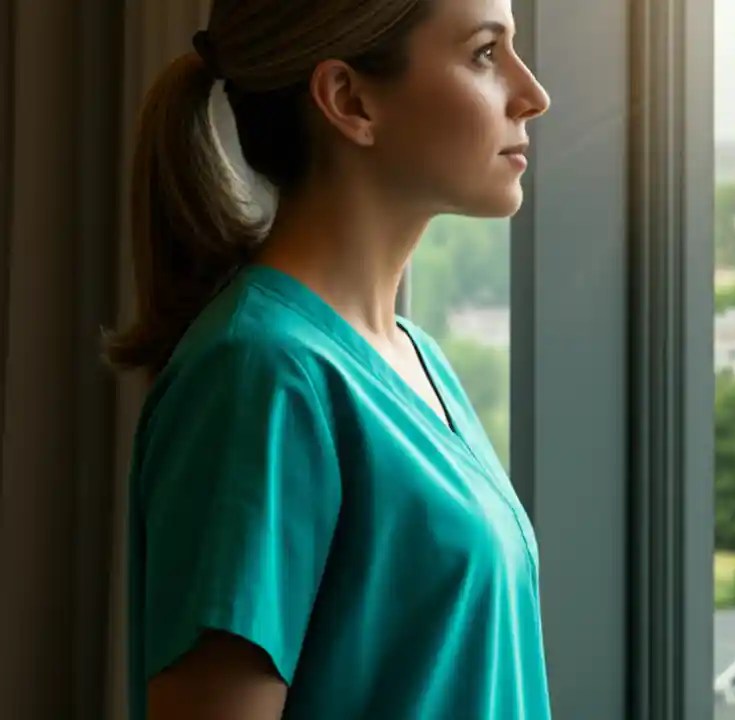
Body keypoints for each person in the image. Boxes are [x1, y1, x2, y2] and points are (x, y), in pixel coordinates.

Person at [106, 1, 550, 717]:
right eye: (484, 54)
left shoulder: (416, 357)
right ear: (349, 99)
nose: (533, 95)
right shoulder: (261, 377)